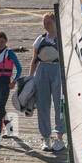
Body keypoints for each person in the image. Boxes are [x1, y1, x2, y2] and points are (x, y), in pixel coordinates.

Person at [29, 13, 65, 152]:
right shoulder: (40, 39)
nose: (46, 25)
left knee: (59, 105)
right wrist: (30, 78)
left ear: (55, 23)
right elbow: (34, 60)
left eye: (48, 22)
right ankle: (46, 138)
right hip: (42, 70)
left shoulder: (62, 39)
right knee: (43, 105)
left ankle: (60, 138)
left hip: (58, 70)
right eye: (44, 22)